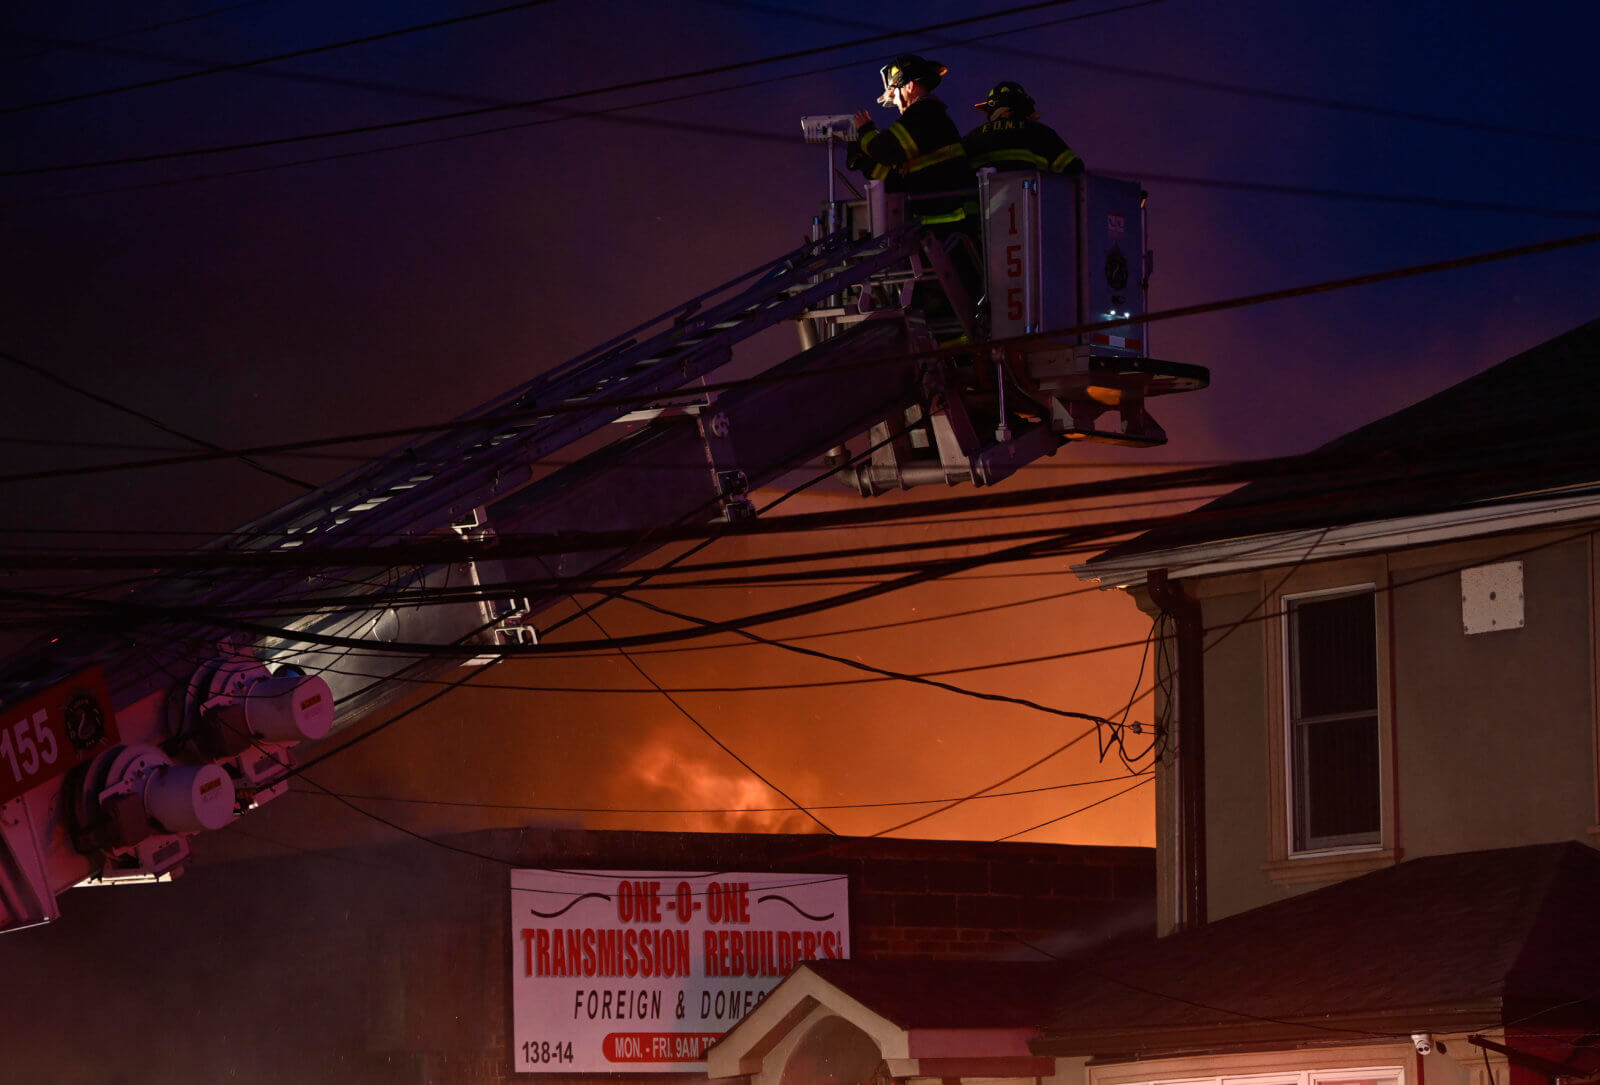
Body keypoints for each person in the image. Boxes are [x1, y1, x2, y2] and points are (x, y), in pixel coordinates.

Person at [847, 54, 976, 227]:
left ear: (909, 86)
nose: (897, 106)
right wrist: (863, 160)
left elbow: (885, 151)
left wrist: (864, 130)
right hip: (936, 226)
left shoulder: (924, 116)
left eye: (894, 95)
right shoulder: (928, 117)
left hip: (941, 229)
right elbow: (893, 178)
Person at [964, 81, 1084, 175]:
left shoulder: (973, 137)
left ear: (991, 109)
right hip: (1033, 203)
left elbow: (955, 172)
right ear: (1024, 106)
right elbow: (1074, 167)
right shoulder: (1041, 133)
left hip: (984, 205)